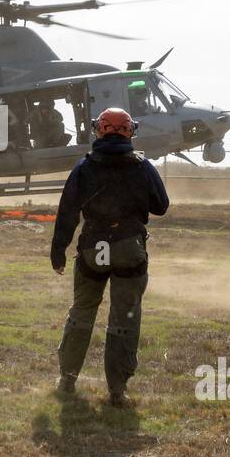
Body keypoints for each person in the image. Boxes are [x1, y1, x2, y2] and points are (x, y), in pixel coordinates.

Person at [51, 106, 169, 407]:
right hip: (130, 248)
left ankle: (67, 378)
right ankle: (117, 388)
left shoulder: (84, 167)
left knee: (82, 311)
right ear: (130, 131)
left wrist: (59, 251)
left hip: (92, 248)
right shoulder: (143, 167)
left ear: (98, 130)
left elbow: (67, 213)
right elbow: (161, 206)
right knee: (124, 316)